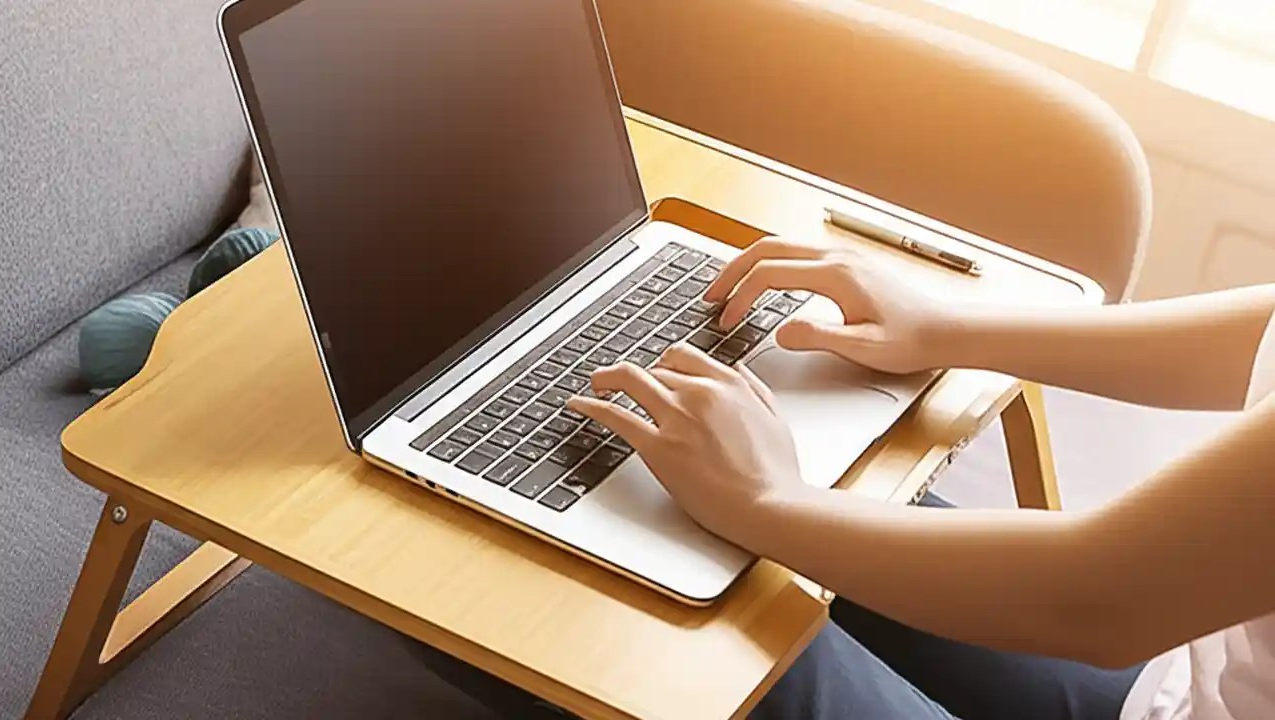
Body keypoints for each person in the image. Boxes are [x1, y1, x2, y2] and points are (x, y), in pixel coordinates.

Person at [412, 235, 1275, 719]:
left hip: (1127, 627)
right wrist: (951, 328)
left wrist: (767, 500)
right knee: (793, 528)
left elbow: (1099, 601)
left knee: (633, 623)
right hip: (1185, 699)